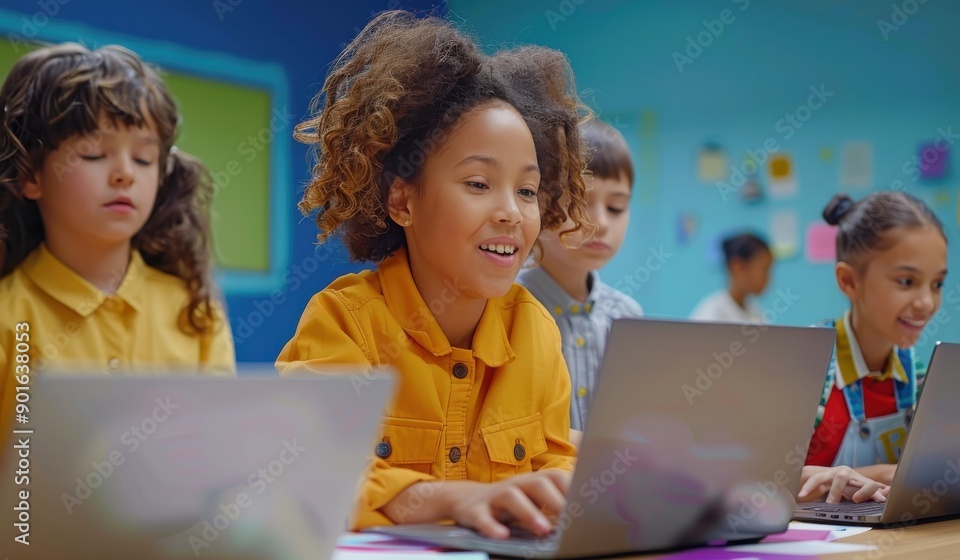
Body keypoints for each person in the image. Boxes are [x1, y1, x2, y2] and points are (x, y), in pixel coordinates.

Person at [275, 12, 592, 538]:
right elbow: (307, 472)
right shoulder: (345, 323)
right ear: (404, 200)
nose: (512, 212)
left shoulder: (537, 333)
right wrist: (450, 499)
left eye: (528, 190)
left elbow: (553, 467)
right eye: (477, 183)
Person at [0, 44, 235, 434]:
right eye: (94, 153)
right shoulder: (8, 318)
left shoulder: (196, 312)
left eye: (144, 159)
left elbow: (217, 449)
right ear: (31, 176)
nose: (125, 173)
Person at [806, 193, 948, 485]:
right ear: (849, 281)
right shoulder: (805, 369)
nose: (926, 302)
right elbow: (763, 483)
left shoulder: (916, 374)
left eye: (937, 284)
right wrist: (880, 473)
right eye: (906, 281)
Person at [517, 119, 642, 434]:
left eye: (616, 207)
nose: (600, 222)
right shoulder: (504, 310)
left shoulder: (627, 317)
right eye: (581, 202)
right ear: (540, 203)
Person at [690, 232, 772, 323]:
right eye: (765, 269)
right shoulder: (711, 314)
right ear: (737, 267)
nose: (769, 278)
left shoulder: (755, 309)